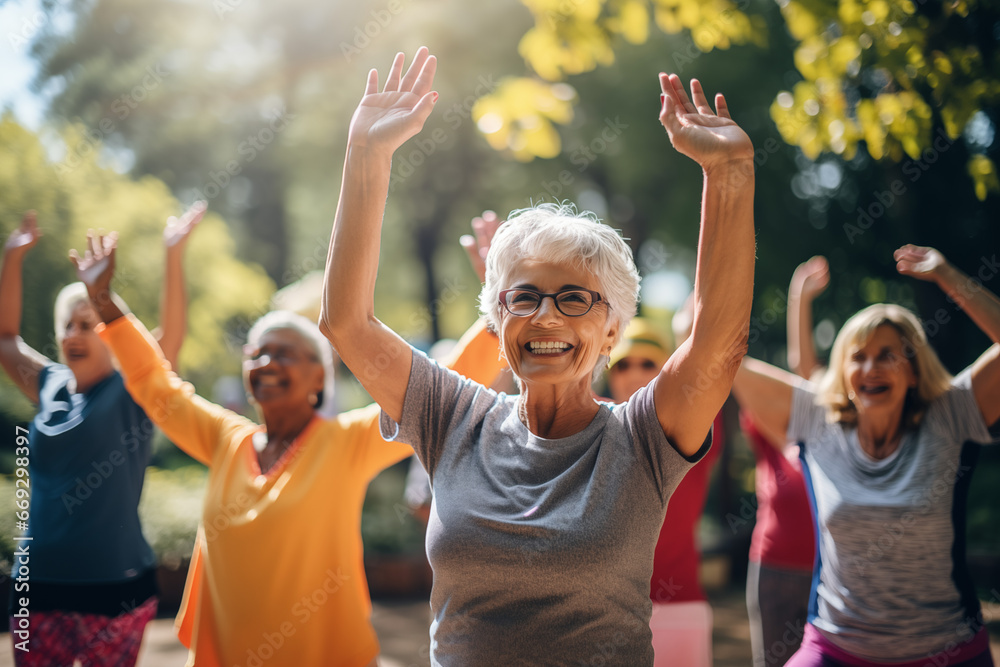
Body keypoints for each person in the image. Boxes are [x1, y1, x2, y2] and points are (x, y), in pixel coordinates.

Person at [319, 47, 755, 663]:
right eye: (524, 297)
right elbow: (346, 324)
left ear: (612, 333)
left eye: (576, 298)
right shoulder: (453, 417)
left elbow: (719, 343)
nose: (546, 315)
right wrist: (366, 154)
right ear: (497, 325)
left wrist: (730, 172)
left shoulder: (641, 440)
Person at [80, 229, 504, 666]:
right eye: (257, 354)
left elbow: (436, 391)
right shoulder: (226, 437)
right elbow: (158, 388)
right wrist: (105, 304)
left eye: (284, 354)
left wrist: (499, 304)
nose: (267, 364)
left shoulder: (347, 442)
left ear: (319, 377)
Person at [733, 244, 1000, 666]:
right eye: (858, 357)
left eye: (887, 356)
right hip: (835, 648)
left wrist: (949, 276)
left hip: (946, 651)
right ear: (844, 371)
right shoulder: (817, 419)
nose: (870, 368)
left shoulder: (953, 414)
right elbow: (720, 363)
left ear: (913, 371)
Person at [0, 203, 202, 667]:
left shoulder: (132, 386)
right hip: (37, 587)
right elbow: (6, 338)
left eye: (87, 324)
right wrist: (12, 258)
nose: (74, 332)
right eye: (67, 324)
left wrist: (173, 253)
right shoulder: (48, 383)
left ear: (111, 338)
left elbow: (169, 336)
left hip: (116, 585)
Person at [605, 316, 721, 667]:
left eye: (648, 363)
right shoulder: (592, 426)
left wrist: (692, 333)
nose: (635, 372)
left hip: (680, 607)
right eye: (622, 364)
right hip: (605, 615)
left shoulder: (693, 427)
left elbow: (700, 375)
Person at [744, 256, 825, 667]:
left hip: (826, 572)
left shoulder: (829, 437)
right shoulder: (765, 429)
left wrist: (800, 299)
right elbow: (737, 372)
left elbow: (806, 374)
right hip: (773, 570)